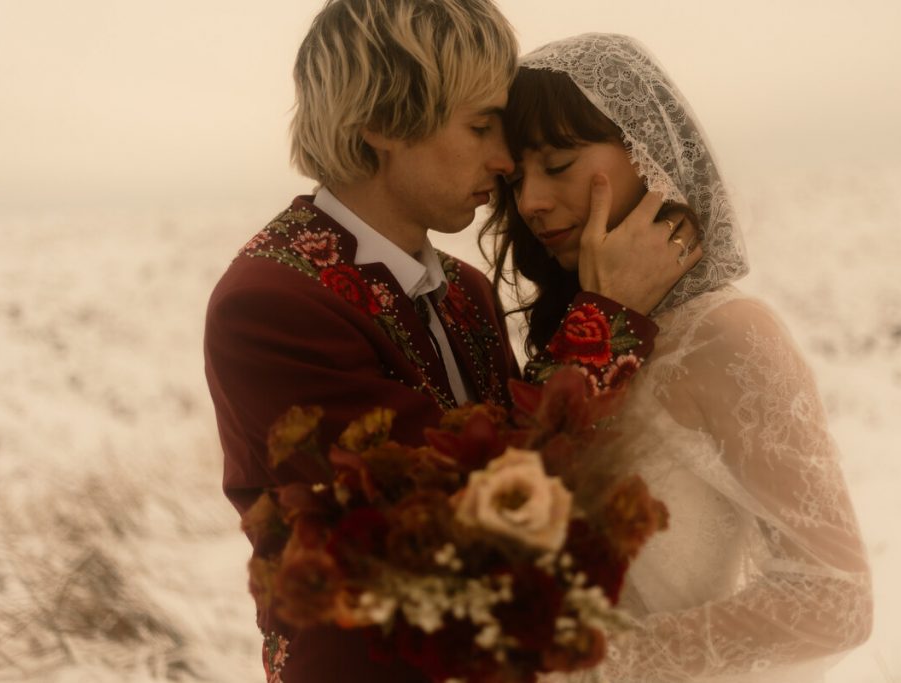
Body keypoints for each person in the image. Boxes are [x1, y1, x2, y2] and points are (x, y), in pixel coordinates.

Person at [203, 4, 701, 682]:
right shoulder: (271, 304)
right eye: (479, 125)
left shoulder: (465, 290)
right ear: (380, 123)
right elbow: (467, 531)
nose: (503, 160)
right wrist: (607, 320)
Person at [482, 33, 873, 682]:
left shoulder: (725, 334)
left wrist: (597, 668)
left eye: (556, 164)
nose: (531, 204)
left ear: (649, 152)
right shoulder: (572, 338)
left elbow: (838, 596)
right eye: (517, 178)